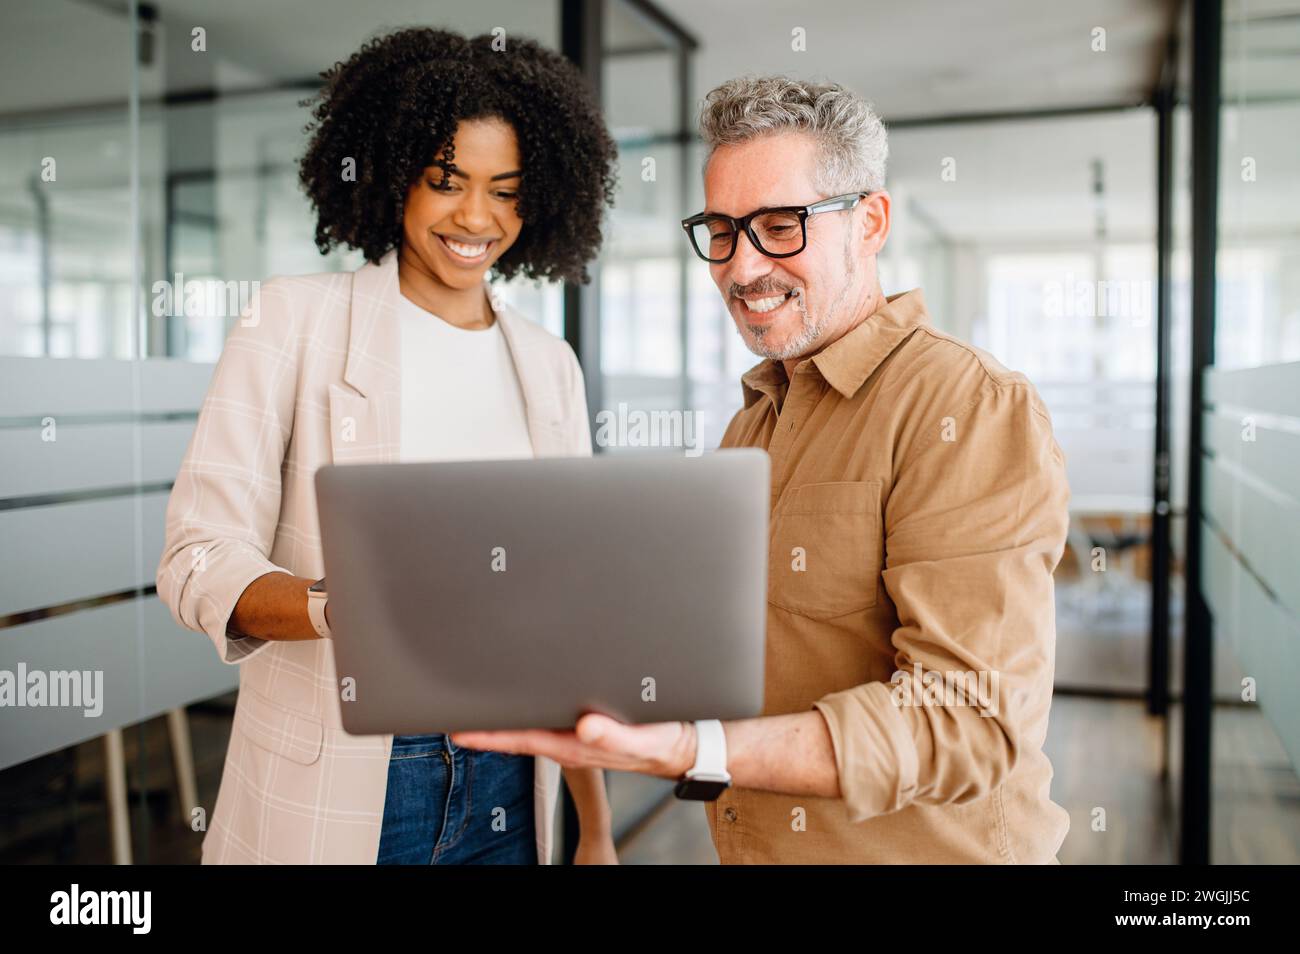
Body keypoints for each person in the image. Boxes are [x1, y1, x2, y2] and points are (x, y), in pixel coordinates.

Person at [454, 75, 1072, 864]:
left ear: (870, 222)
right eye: (721, 230)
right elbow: (738, 644)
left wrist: (692, 747)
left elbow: (966, 719)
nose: (741, 268)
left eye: (780, 226)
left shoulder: (968, 407)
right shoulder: (756, 419)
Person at [156, 27, 619, 865]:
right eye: (446, 182)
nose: (476, 218)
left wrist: (593, 826)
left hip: (513, 777)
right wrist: (341, 606)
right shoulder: (293, 321)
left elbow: (569, 611)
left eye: (505, 191)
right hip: (354, 780)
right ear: (391, 171)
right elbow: (196, 559)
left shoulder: (550, 366)